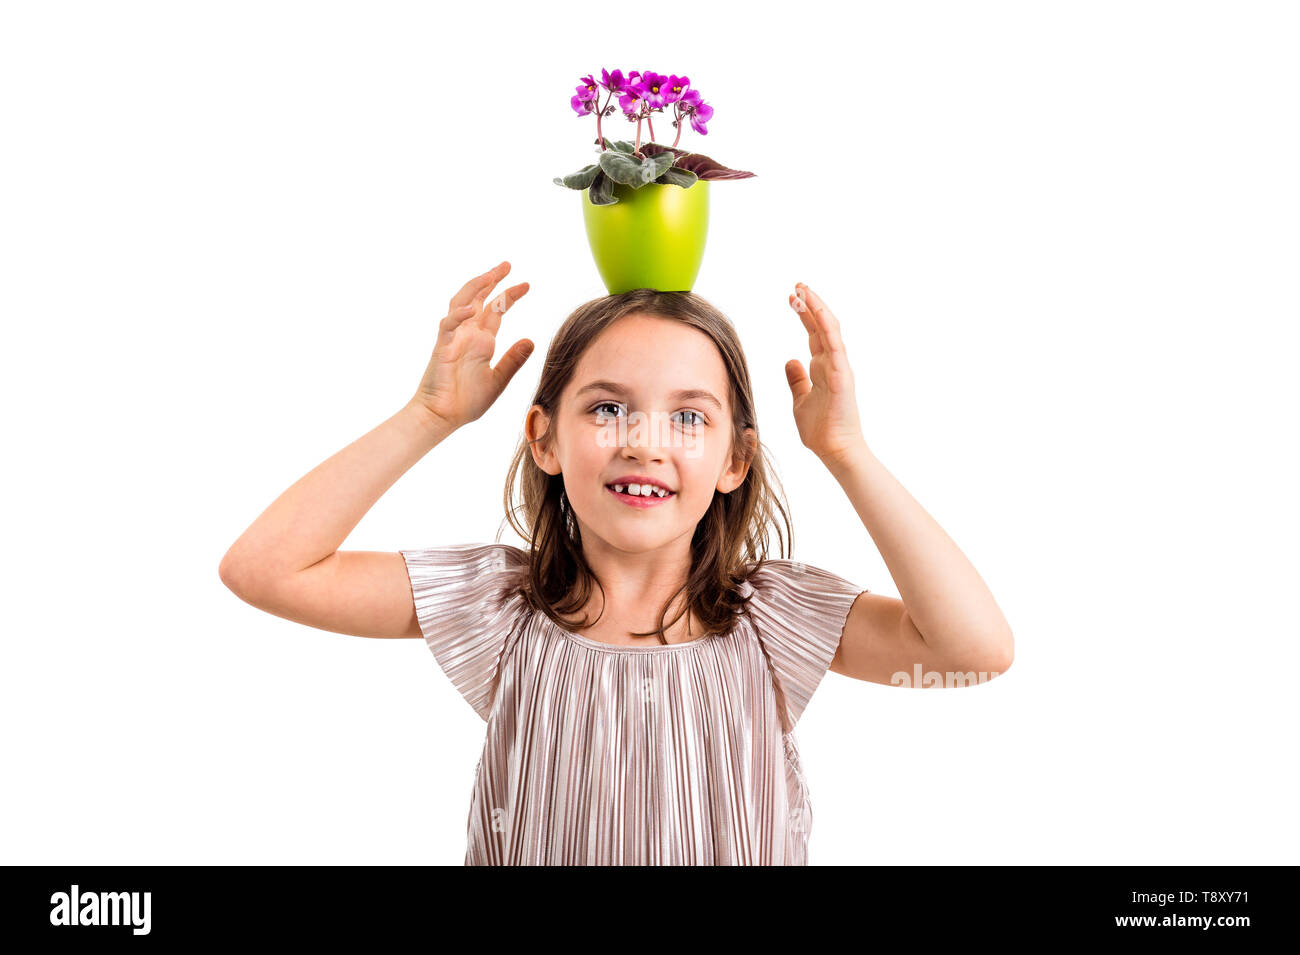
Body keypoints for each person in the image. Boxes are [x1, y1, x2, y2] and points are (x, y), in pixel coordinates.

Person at [219, 260, 1015, 865]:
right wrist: (429, 414)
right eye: (607, 407)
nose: (643, 440)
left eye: (689, 417)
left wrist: (847, 452)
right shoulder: (498, 605)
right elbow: (266, 569)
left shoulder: (771, 617)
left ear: (735, 460)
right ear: (544, 438)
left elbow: (973, 650)